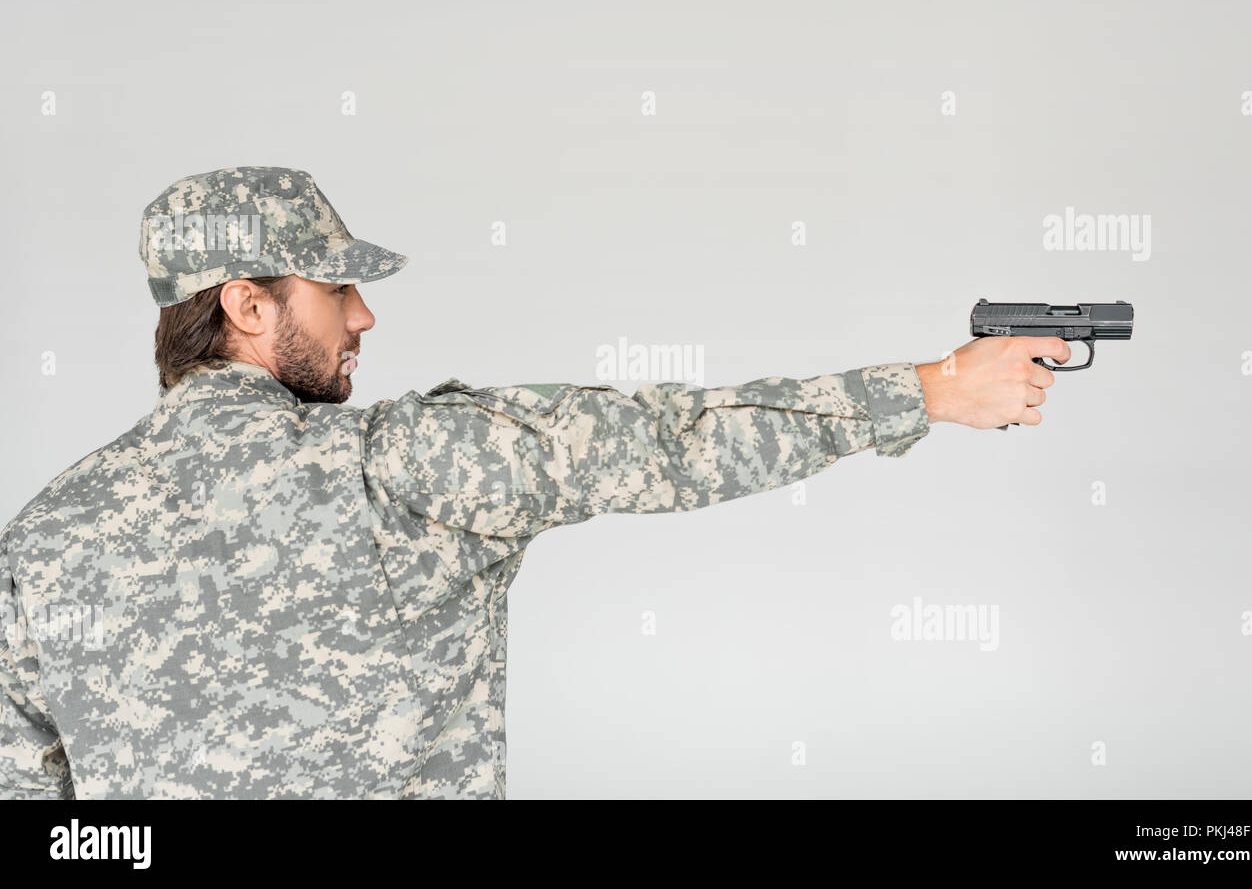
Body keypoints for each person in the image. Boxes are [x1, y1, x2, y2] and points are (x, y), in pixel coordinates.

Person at [0, 166, 1069, 799]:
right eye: (335, 290)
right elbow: (663, 442)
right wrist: (927, 389)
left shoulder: (43, 537)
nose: (362, 317)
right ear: (245, 304)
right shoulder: (403, 466)